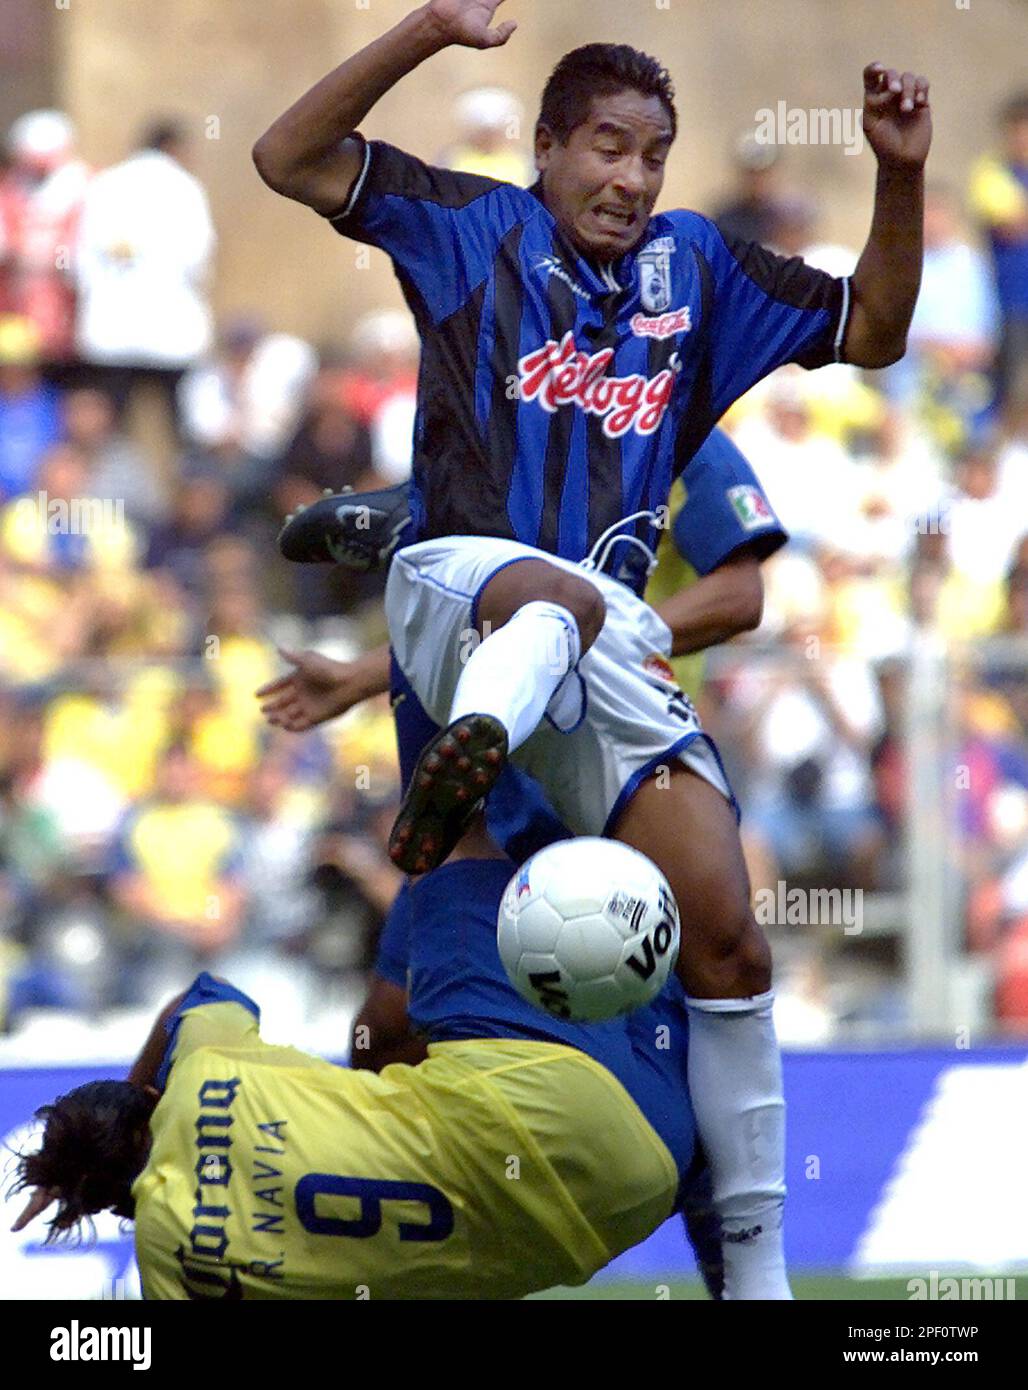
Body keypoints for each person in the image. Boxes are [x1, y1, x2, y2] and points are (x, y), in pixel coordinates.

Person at [251, 0, 930, 1300]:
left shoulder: (699, 282)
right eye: (604, 147)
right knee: (401, 1010)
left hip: (588, 652)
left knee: (731, 938)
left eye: (651, 155)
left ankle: (759, 1277)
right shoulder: (470, 230)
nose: (628, 178)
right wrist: (429, 32)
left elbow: (877, 331)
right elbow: (287, 158)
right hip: (463, 596)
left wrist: (898, 175)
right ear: (549, 151)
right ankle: (350, 1222)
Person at [12, 817, 701, 1301]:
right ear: (148, 1107)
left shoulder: (169, 1268)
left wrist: (85, 1177)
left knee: (380, 1044)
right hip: (549, 1101)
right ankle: (489, 785)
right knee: (461, 852)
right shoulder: (200, 1072)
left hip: (636, 1190)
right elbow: (205, 993)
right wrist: (136, 1096)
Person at [74, 119, 216, 432]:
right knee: (181, 430)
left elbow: (81, 260)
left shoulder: (105, 184)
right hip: (172, 333)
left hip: (111, 333)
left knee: (111, 430)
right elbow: (199, 259)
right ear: (173, 148)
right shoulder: (185, 187)